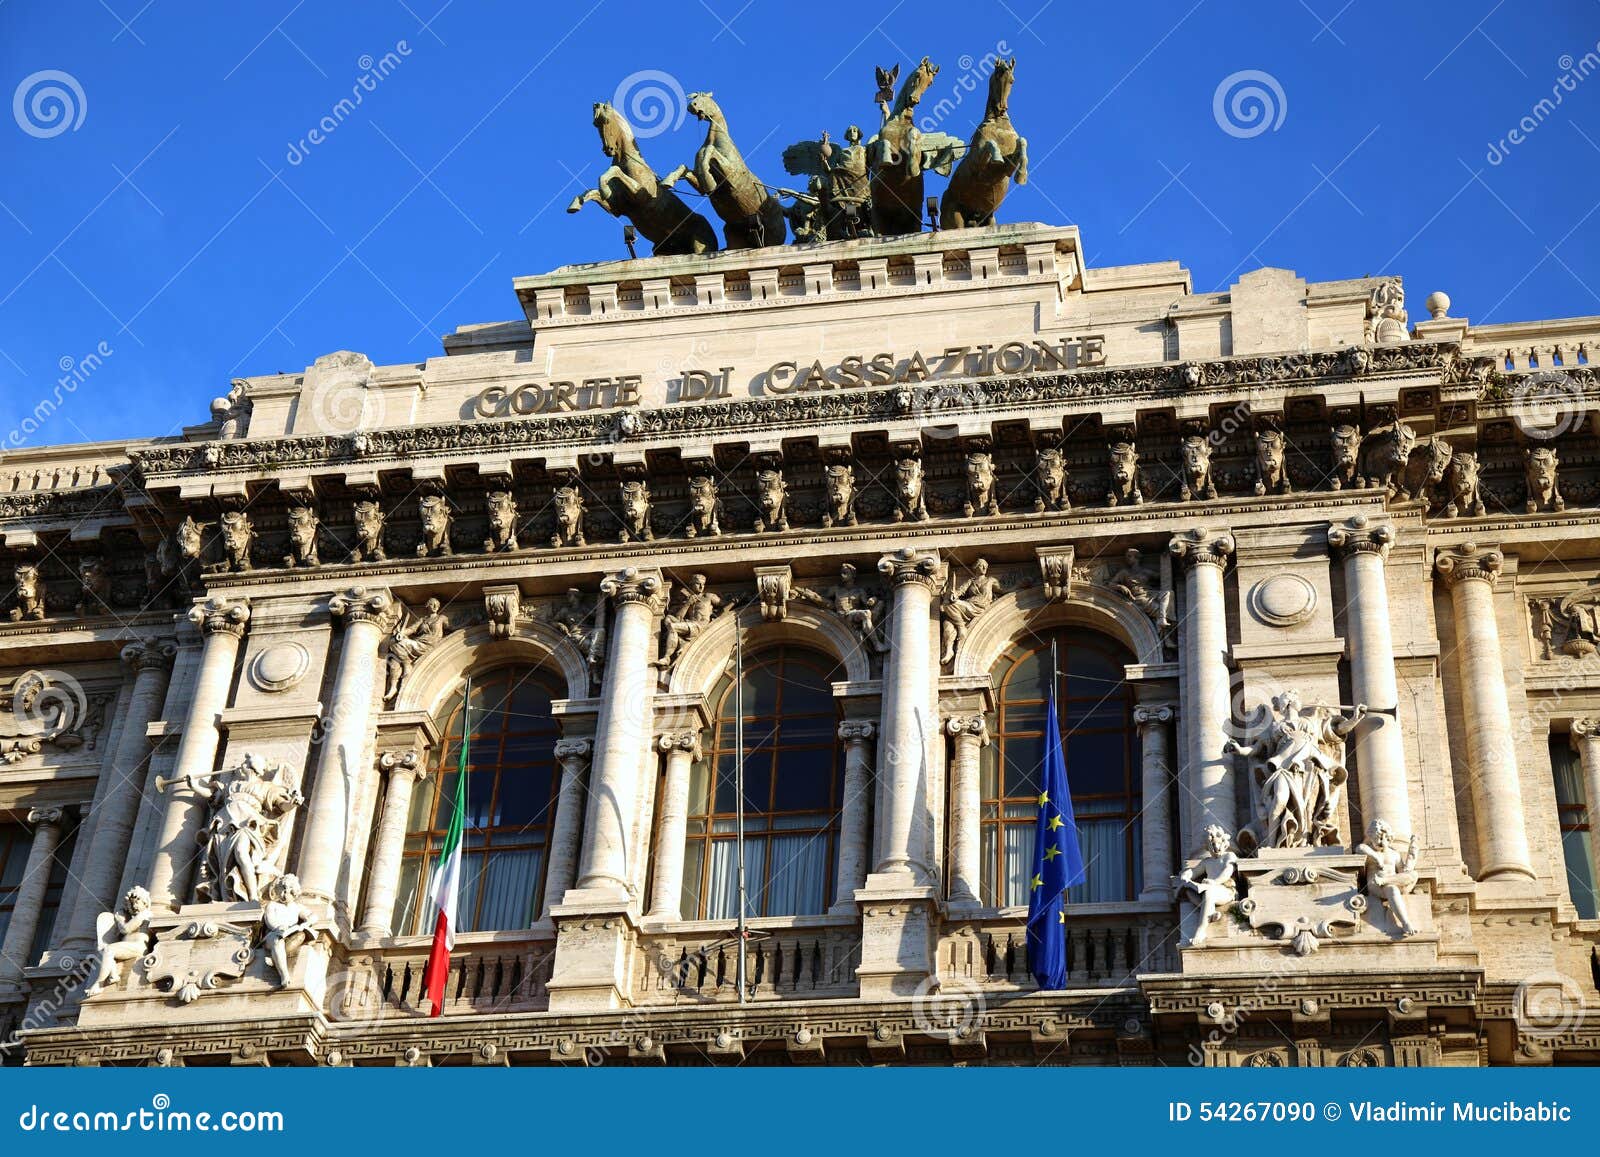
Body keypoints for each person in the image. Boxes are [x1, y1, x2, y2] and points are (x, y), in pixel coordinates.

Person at [1175, 826, 1237, 946]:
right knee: (1186, 890)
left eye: (1218, 844)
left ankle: (1201, 930)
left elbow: (1227, 872)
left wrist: (1215, 882)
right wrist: (1186, 875)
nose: (1216, 847)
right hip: (1211, 889)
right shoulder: (1207, 862)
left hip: (1226, 890)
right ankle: (1210, 912)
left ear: (1224, 844)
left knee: (1209, 892)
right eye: (1212, 845)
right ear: (1208, 846)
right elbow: (1194, 872)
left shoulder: (1229, 856)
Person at [1358, 819, 1419, 937]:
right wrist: (1376, 857)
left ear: (1389, 838)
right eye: (1376, 838)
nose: (1380, 842)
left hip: (1391, 881)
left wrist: (1413, 854)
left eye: (1383, 838)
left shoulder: (1394, 854)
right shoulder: (1368, 850)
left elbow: (1403, 872)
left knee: (1413, 874)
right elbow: (1360, 848)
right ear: (1370, 837)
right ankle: (1406, 923)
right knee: (1392, 889)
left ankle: (1385, 880)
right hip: (1376, 885)